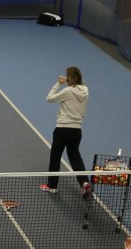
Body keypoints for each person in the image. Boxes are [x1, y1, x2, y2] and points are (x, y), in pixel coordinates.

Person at [41, 66, 90, 197]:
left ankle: (52, 186)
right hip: (76, 131)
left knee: (55, 157)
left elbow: (49, 98)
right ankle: (84, 183)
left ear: (69, 77)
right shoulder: (85, 90)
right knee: (75, 158)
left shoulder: (68, 91)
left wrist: (58, 83)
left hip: (62, 129)